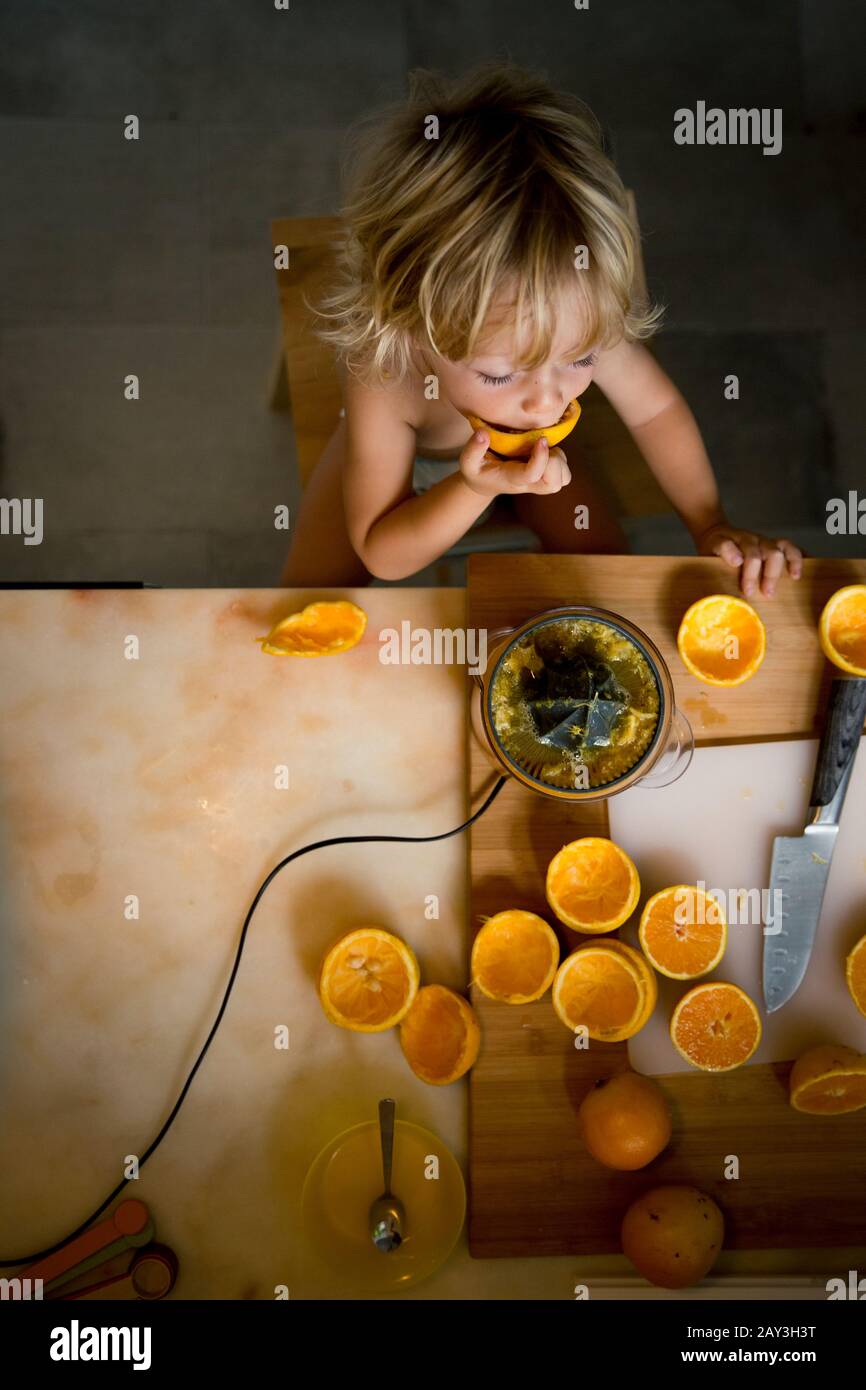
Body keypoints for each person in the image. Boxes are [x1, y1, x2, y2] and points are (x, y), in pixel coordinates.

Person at [282, 62, 803, 595]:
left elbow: (656, 410)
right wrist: (473, 486)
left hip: (539, 464)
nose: (546, 403)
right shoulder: (385, 370)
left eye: (578, 360)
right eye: (499, 374)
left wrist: (710, 522)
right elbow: (383, 552)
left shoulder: (571, 310)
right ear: (412, 324)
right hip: (409, 469)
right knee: (302, 595)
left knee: (605, 580)